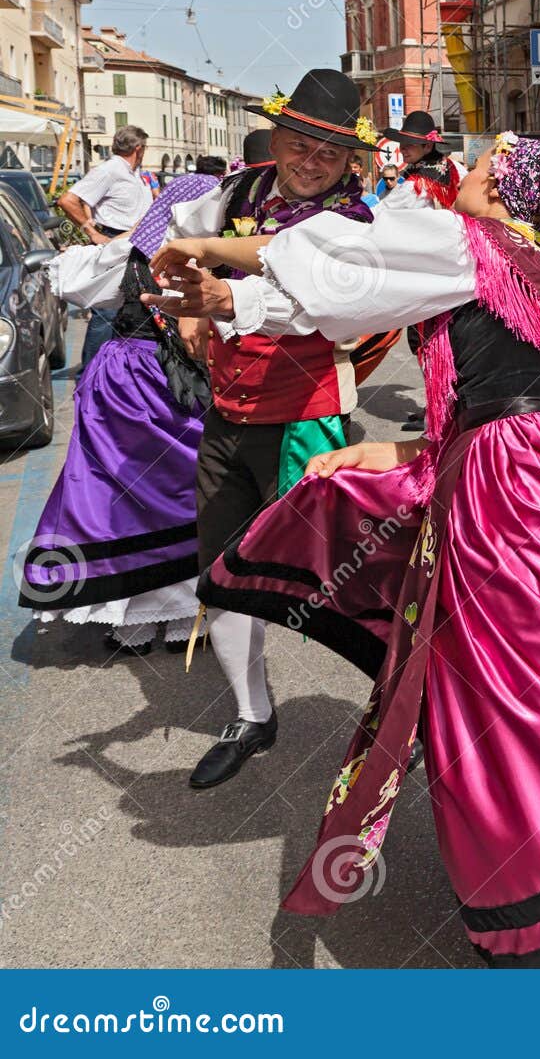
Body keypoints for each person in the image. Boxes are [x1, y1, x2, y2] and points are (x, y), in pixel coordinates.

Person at [153, 135, 540, 968]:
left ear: (513, 195)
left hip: (516, 486)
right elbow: (393, 312)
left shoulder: (469, 244)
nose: (464, 179)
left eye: (481, 172)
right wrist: (240, 308)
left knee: (517, 683)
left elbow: (346, 258)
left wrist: (208, 250)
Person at [139, 68, 376, 791]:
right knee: (224, 572)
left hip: (306, 418)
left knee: (346, 579)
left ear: (350, 165)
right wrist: (187, 307)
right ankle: (251, 713)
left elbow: (310, 305)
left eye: (328, 154)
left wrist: (223, 292)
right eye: (299, 143)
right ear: (276, 137)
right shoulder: (237, 192)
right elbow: (174, 236)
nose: (309, 160)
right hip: (229, 412)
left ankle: (410, 706)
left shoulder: (355, 220)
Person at [20, 158, 224, 655]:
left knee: (119, 493)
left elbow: (68, 281)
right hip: (184, 386)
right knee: (187, 494)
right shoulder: (220, 269)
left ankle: (131, 622)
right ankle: (181, 621)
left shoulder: (129, 257)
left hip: (124, 380)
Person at [58, 125, 155, 368]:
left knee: (128, 311)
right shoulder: (111, 169)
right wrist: (92, 232)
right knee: (107, 314)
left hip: (133, 244)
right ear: (139, 148)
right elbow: (68, 200)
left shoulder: (134, 172)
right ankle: (90, 374)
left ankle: (113, 372)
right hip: (115, 241)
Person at [379, 110, 463, 211]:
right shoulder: (455, 166)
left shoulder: (415, 186)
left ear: (428, 146)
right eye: (402, 143)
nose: (402, 149)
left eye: (410, 144)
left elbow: (382, 211)